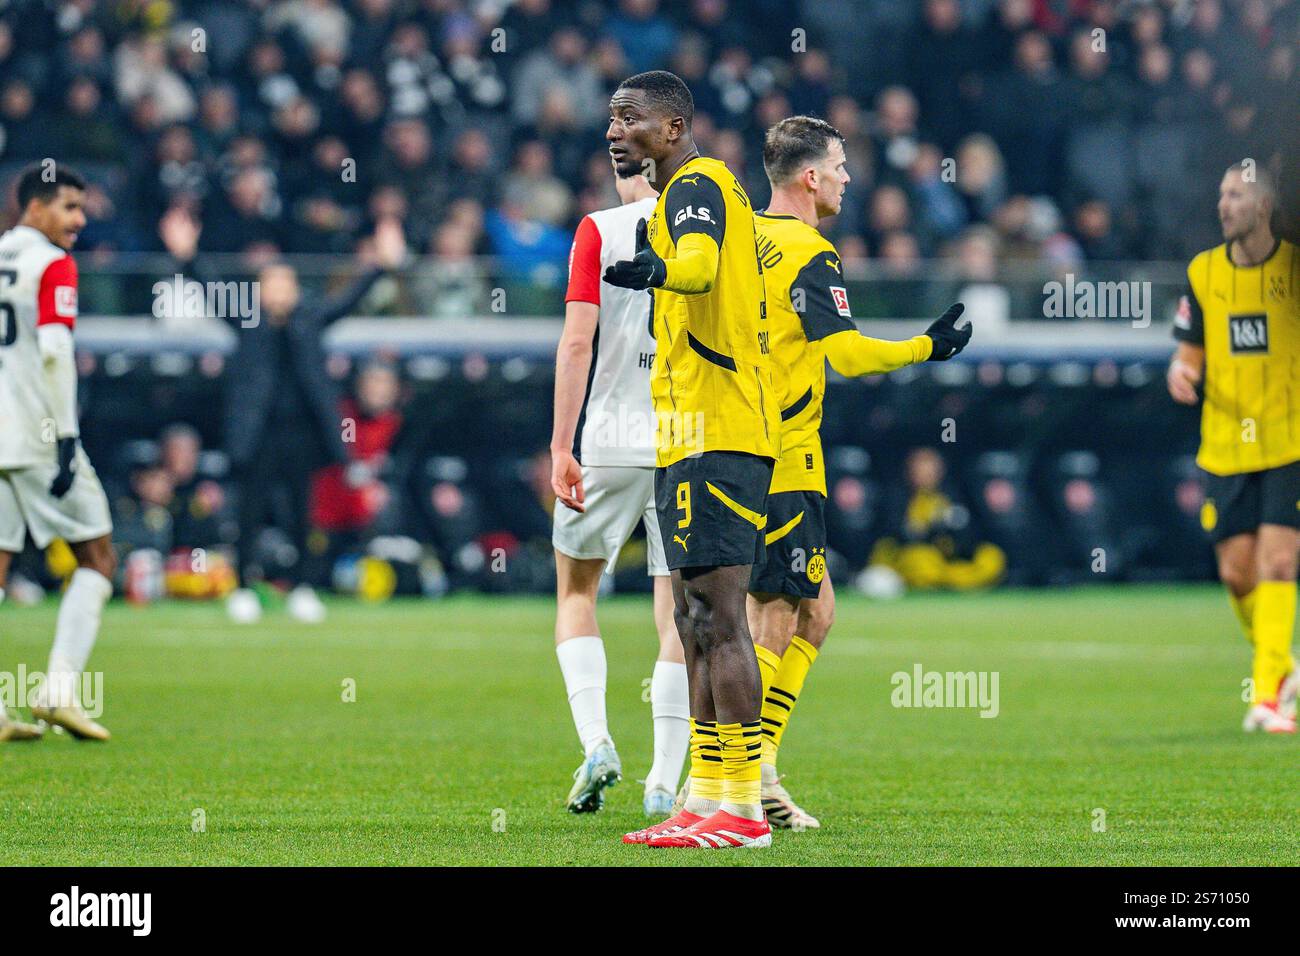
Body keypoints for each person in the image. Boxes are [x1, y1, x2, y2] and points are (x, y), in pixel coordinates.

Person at [742, 117, 971, 829]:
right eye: (838, 166)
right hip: (779, 456)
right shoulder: (809, 251)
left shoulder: (736, 241)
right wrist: (923, 347)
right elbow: (844, 354)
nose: (847, 177)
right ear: (810, 177)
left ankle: (754, 768)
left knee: (816, 610)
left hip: (736, 447)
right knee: (775, 616)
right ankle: (738, 774)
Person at [603, 71, 779, 849]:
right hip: (689, 432)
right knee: (694, 617)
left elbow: (701, 268)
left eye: (630, 118)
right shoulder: (687, 188)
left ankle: (742, 809)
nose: (615, 131)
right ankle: (706, 795)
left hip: (722, 430)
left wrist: (657, 270)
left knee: (722, 617)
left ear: (673, 128)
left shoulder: (697, 184)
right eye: (610, 118)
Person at [159, 208, 408, 621]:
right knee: (249, 515)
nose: (279, 292)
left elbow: (348, 300)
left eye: (285, 284)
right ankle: (242, 587)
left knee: (302, 515)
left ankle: (303, 586)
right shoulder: (246, 321)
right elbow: (209, 288)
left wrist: (380, 265)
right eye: (271, 284)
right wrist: (187, 257)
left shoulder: (309, 321)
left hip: (302, 434)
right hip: (256, 435)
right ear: (259, 290)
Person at [550, 161, 691, 818]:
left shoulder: (599, 230)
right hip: (688, 438)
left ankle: (598, 742)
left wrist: (561, 444)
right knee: (680, 614)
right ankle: (663, 782)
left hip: (610, 437)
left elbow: (578, 343)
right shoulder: (711, 230)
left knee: (577, 591)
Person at [1168, 162, 1300, 733]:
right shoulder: (1203, 273)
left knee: (1279, 561)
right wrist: (1182, 370)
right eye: (1221, 194)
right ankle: (1285, 667)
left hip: (1288, 441)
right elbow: (1192, 346)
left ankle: (1268, 696)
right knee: (1237, 574)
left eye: (1237, 195)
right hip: (1224, 444)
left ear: (1264, 206)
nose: (1224, 205)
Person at [0, 163, 116, 742]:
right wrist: (66, 438)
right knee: (97, 558)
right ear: (36, 207)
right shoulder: (53, 264)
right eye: (69, 207)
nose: (80, 219)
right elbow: (53, 352)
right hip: (36, 434)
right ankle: (58, 692)